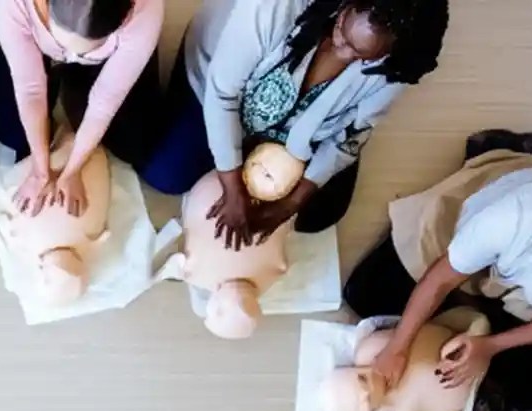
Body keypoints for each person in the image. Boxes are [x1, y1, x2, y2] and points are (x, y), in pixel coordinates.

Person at [343, 131, 532, 411]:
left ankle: (485, 319)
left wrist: (492, 345)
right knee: (367, 296)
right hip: (485, 235)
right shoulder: (517, 215)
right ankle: (502, 154)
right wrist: (399, 347)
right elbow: (442, 278)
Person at [141, 0, 449, 244]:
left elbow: (348, 138)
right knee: (165, 176)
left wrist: (291, 204)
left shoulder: (398, 65)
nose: (340, 49)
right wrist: (234, 190)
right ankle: (134, 54)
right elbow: (223, 95)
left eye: (359, 55)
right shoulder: (274, 7)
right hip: (217, 84)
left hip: (309, 128)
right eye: (343, 30)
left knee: (319, 214)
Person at [0, 0, 165, 217]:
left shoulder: (146, 9)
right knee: (12, 133)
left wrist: (72, 171)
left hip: (110, 41)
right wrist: (40, 172)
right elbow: (30, 89)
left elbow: (105, 102)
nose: (71, 55)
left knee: (134, 143)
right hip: (19, 18)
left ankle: (77, 75)